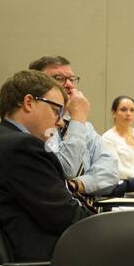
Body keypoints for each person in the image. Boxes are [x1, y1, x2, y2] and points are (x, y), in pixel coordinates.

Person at [0, 71, 89, 262]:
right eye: (56, 111)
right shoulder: (21, 147)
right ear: (29, 102)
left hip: (25, 255)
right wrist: (106, 223)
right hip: (45, 261)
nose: (60, 122)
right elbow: (67, 218)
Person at [28, 56, 119, 197]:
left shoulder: (84, 126)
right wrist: (78, 118)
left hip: (89, 205)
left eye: (71, 79)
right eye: (58, 78)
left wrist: (77, 185)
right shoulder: (35, 127)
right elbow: (65, 171)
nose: (69, 85)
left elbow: (111, 172)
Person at [100, 95, 134, 196]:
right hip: (128, 182)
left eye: (132, 110)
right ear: (114, 113)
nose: (128, 113)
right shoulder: (108, 138)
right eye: (123, 110)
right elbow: (115, 168)